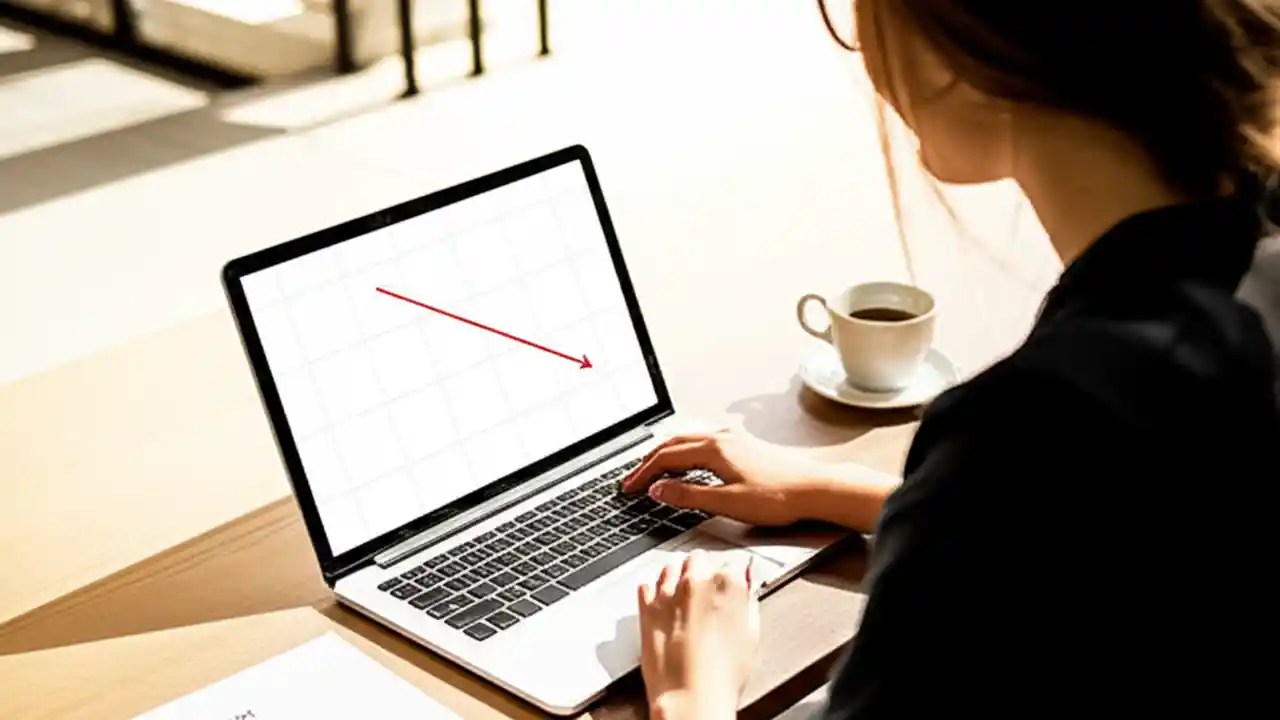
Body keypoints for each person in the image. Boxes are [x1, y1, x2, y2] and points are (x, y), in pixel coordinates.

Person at [622, 2, 1280, 718]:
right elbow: (1125, 530)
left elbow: (1053, 496)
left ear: (956, 56)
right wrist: (835, 488)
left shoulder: (1040, 421)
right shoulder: (1244, 277)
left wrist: (691, 694)